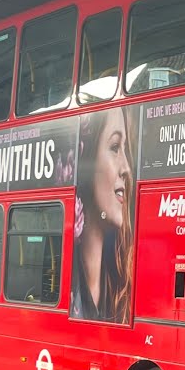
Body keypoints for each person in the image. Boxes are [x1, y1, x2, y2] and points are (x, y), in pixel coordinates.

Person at [71, 107, 135, 323]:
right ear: (87, 162)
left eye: (125, 149)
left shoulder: (119, 285)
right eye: (115, 147)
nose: (126, 168)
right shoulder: (68, 280)